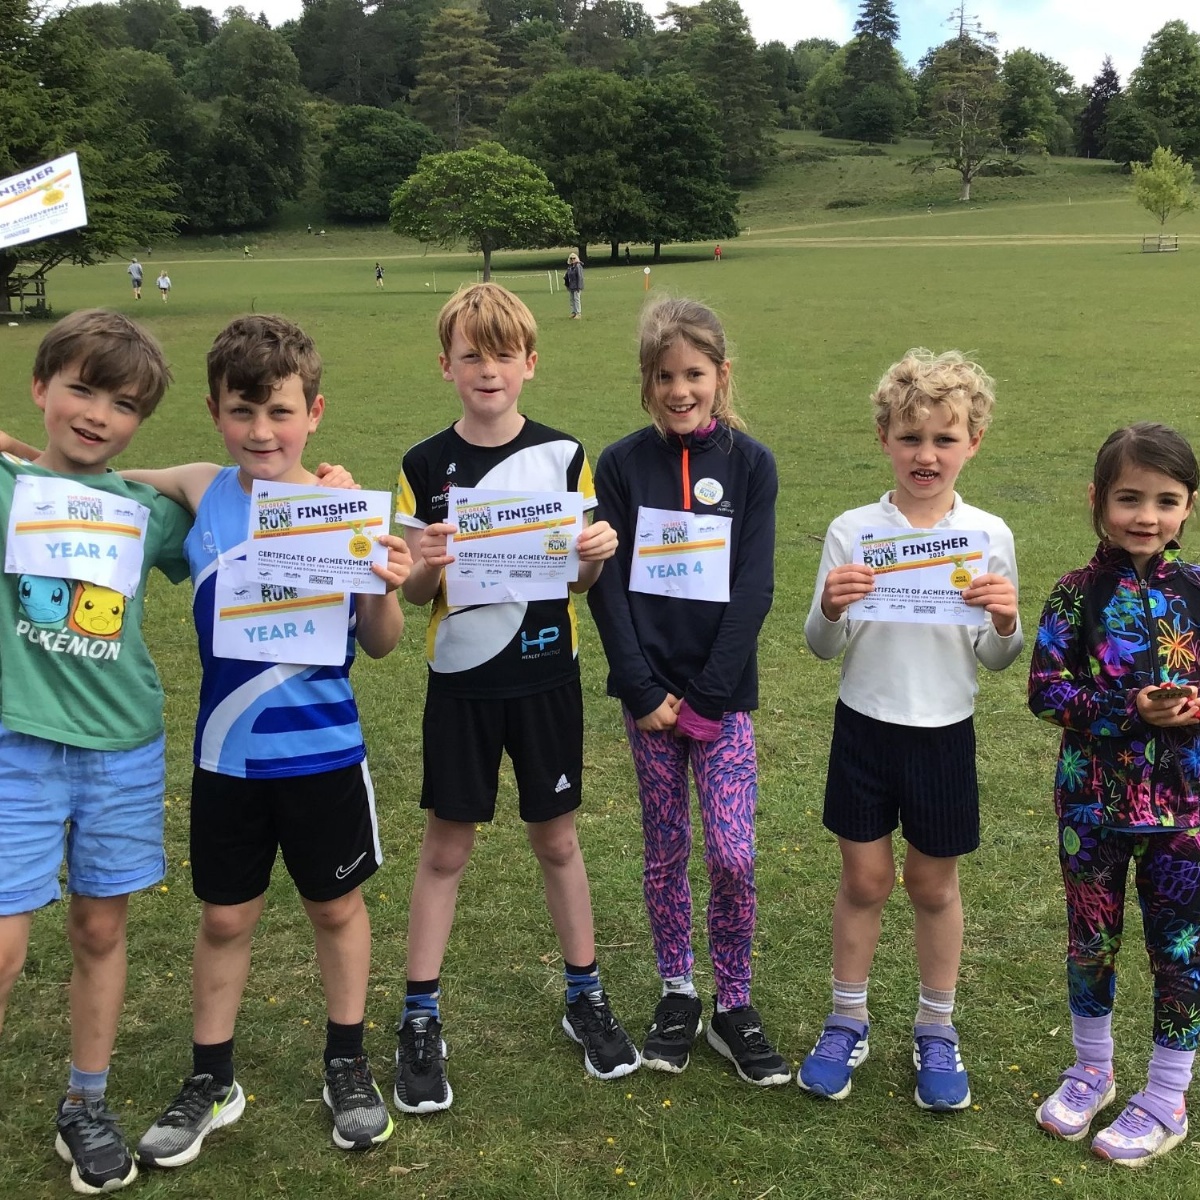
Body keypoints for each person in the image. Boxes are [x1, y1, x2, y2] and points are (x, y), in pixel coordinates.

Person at [120, 316, 412, 1166]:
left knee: (335, 908)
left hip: (324, 753)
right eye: (242, 411)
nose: (261, 431)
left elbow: (383, 643)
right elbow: (99, 480)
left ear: (313, 412)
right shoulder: (200, 488)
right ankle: (213, 1079)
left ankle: (347, 1064)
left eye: (280, 412)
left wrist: (385, 582)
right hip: (228, 759)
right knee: (224, 917)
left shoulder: (343, 508)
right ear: (215, 412)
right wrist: (25, 459)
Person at [392, 282, 637, 1115]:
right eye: (471, 356)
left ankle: (585, 995)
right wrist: (425, 560)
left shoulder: (565, 455)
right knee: (445, 849)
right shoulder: (422, 465)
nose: (487, 370)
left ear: (530, 362)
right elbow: (416, 591)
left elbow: (578, 578)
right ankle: (419, 1016)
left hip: (545, 677)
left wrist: (594, 553)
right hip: (462, 684)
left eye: (502, 355)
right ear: (446, 366)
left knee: (557, 841)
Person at [799, 348, 1022, 1112]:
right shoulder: (853, 530)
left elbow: (996, 657)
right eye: (910, 437)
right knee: (864, 880)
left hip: (943, 732)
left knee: (932, 884)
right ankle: (846, 1018)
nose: (926, 455)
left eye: (944, 439)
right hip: (865, 726)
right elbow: (822, 645)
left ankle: (936, 1027)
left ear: (973, 442)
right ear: (884, 439)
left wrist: (1006, 620)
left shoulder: (988, 535)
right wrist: (830, 606)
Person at [0, 310, 191, 1194]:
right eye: (80, 390)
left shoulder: (146, 511)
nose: (97, 415)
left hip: (122, 751)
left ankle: (87, 1102)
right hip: (17, 750)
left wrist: (329, 485)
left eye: (123, 405)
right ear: (39, 387)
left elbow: (230, 490)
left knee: (100, 929)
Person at [587, 298, 790, 1086]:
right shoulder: (619, 464)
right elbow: (606, 589)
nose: (680, 390)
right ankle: (678, 991)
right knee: (666, 849)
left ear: (720, 375)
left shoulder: (752, 465)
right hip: (650, 704)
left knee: (733, 856)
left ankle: (733, 1002)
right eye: (665, 376)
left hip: (721, 702)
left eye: (694, 374)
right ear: (647, 380)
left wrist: (709, 697)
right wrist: (643, 692)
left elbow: (754, 588)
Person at [1028, 423, 1200, 1165]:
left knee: (1179, 949)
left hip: (1185, 811)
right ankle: (1091, 1070)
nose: (1146, 517)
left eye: (1166, 500)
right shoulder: (1074, 594)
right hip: (1091, 806)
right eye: (1129, 498)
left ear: (1188, 506)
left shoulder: (1197, 592)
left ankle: (1166, 1096)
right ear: (1098, 499)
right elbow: (1045, 691)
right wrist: (1129, 708)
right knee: (1091, 941)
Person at [565, 253, 584, 319]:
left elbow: (580, 277)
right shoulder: (570, 267)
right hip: (571, 286)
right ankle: (573, 312)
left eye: (574, 258)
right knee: (572, 300)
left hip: (577, 286)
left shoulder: (578, 266)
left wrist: (579, 286)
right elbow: (567, 276)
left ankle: (578, 313)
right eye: (571, 258)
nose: (572, 259)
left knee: (576, 299)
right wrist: (567, 284)